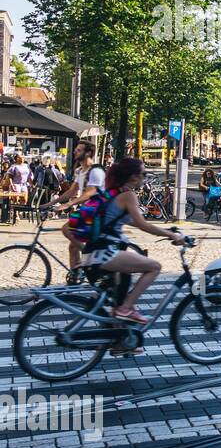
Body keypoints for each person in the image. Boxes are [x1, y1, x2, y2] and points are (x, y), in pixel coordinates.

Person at [61, 157, 185, 351]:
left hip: (93, 255)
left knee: (118, 293)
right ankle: (127, 309)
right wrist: (172, 235)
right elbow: (143, 225)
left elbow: (133, 221)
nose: (145, 178)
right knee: (154, 267)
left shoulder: (110, 193)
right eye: (143, 174)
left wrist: (168, 231)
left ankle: (121, 340)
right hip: (105, 254)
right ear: (133, 177)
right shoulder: (128, 195)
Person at [48, 141, 107, 278]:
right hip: (87, 210)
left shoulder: (96, 170)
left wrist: (68, 205)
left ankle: (89, 256)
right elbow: (72, 191)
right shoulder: (79, 170)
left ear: (88, 153)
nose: (75, 152)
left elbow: (90, 192)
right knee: (73, 246)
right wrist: (52, 203)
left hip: (98, 211)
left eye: (78, 150)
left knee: (66, 229)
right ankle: (76, 275)